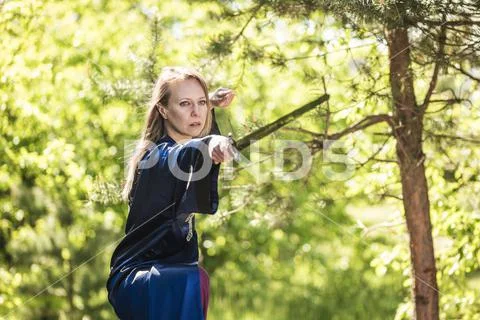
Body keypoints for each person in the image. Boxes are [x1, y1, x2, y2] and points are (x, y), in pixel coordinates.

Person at [106, 66, 237, 319]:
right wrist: (211, 143)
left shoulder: (183, 142)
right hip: (138, 277)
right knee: (190, 278)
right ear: (163, 110)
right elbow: (184, 153)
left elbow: (193, 142)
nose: (196, 112)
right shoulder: (157, 156)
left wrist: (209, 104)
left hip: (172, 275)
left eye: (200, 103)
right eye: (185, 103)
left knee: (198, 277)